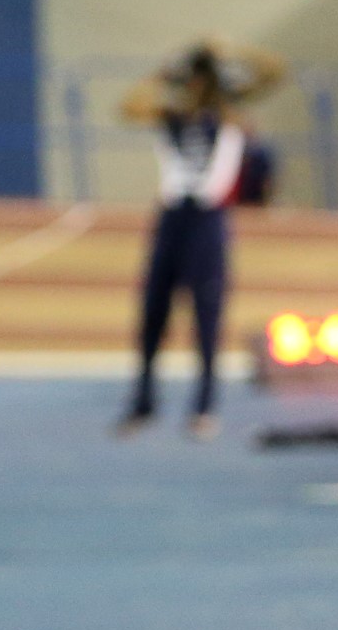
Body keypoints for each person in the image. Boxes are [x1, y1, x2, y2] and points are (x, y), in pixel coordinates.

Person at [117, 38, 286, 439]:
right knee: (152, 314)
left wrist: (225, 55)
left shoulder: (227, 114)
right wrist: (163, 72)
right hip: (172, 217)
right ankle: (143, 402)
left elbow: (274, 70)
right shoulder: (171, 114)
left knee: (207, 315)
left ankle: (204, 406)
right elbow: (129, 107)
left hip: (208, 221)